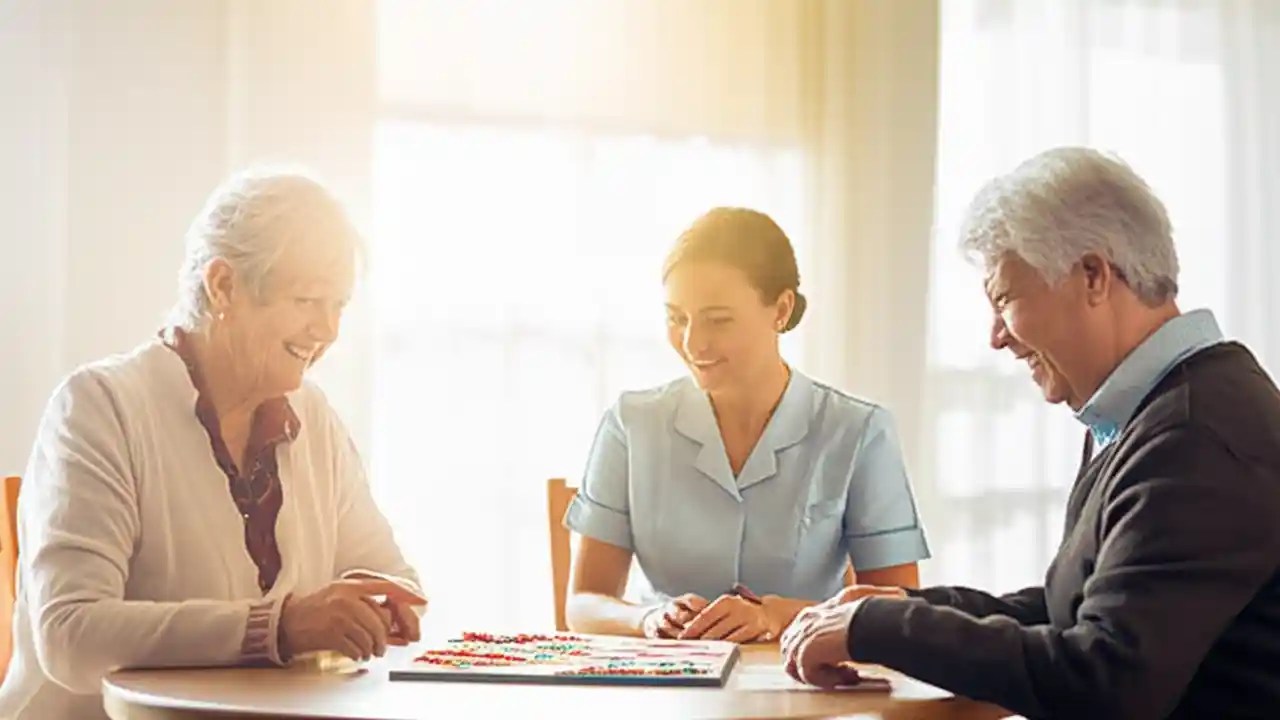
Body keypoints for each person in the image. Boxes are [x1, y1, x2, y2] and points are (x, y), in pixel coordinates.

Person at [782, 148, 1280, 718]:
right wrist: (906, 609)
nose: (997, 337)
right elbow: (1083, 609)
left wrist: (887, 627)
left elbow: (1104, 682)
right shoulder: (1161, 408)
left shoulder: (1197, 436)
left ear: (1092, 275)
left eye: (1005, 299)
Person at [0, 169, 426, 720]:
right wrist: (280, 627)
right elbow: (70, 635)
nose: (328, 330)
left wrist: (377, 606)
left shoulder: (313, 416)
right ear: (222, 286)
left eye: (338, 305)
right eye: (306, 300)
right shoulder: (98, 406)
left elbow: (390, 576)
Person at [564, 207, 929, 643]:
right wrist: (646, 619)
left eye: (718, 320)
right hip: (670, 686)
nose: (693, 342)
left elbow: (899, 607)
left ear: (781, 309)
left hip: (807, 685)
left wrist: (779, 616)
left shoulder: (858, 430)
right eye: (677, 318)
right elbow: (584, 601)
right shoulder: (631, 424)